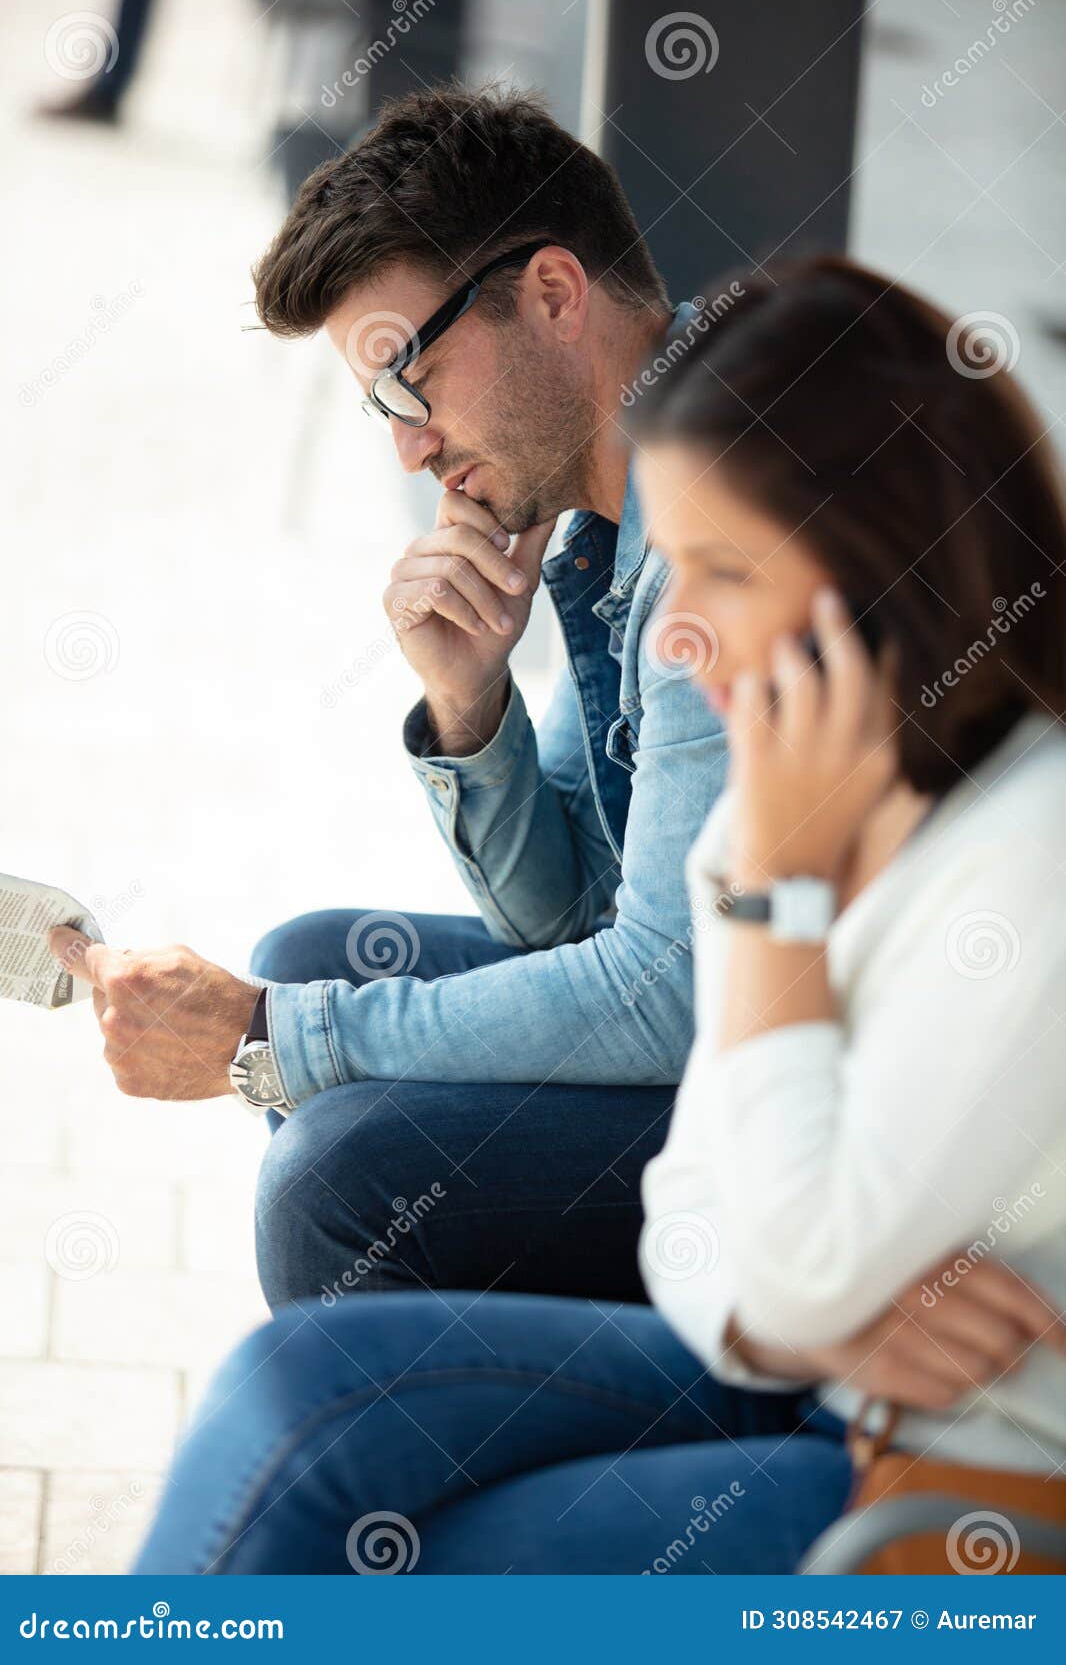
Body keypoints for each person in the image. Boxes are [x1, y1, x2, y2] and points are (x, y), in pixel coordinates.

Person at [131, 258, 1066, 1574]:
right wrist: (472, 708)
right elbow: (682, 1204)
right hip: (807, 1371)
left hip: (944, 1488)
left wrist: (778, 914)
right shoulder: (788, 798)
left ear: (882, 550)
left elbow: (743, 1183)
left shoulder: (1019, 854)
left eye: (725, 571)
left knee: (363, 1505)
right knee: (299, 1394)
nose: (683, 641)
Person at [49, 86, 728, 1311]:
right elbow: (574, 921)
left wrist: (278, 1032)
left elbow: (664, 992)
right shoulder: (602, 533)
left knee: (336, 1175)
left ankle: (535, 1465)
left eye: (411, 382)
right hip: (721, 1028)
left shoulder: (716, 527)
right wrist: (470, 708)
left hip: (826, 1102)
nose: (410, 450)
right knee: (308, 959)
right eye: (385, 408)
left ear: (556, 296)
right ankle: (456, 1417)